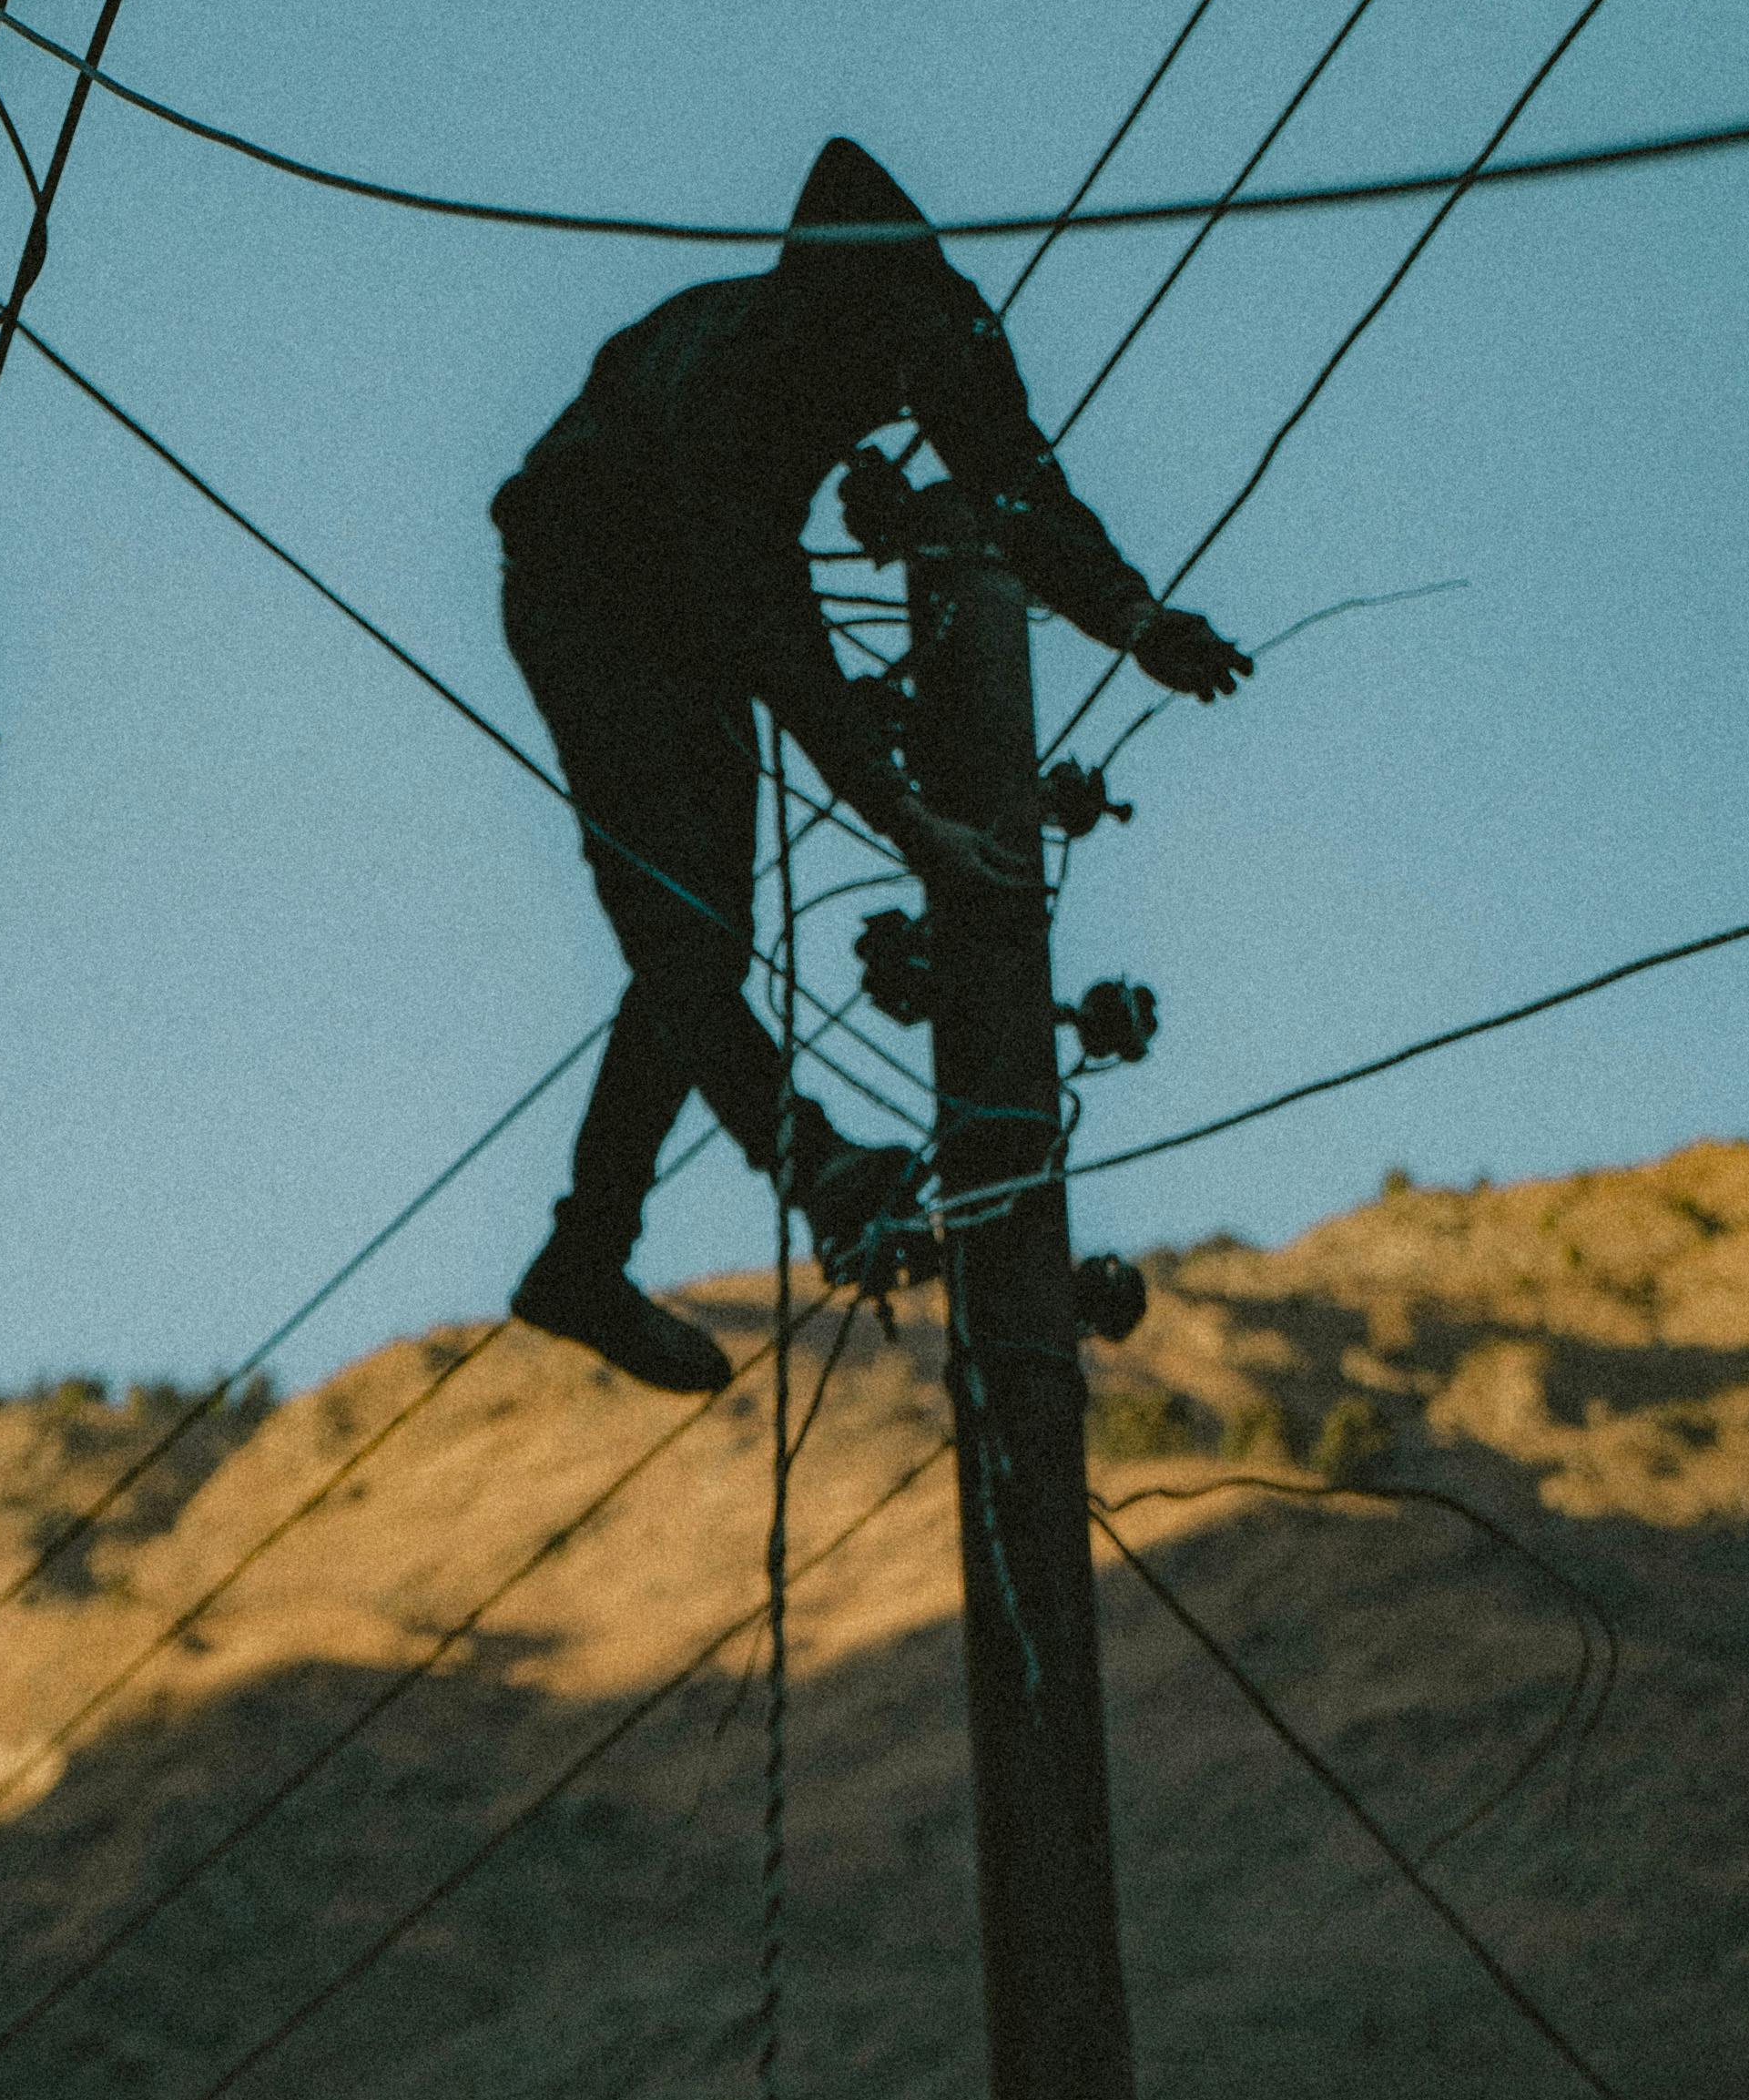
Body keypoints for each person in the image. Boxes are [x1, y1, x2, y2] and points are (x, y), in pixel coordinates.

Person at [492, 138, 1251, 1392]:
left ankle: (617, 1243)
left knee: (698, 939)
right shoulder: (735, 370)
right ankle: (777, 1179)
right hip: (589, 586)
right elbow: (771, 627)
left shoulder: (933, 325)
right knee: (691, 929)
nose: (887, 384)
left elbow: (1021, 488)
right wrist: (905, 818)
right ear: (815, 314)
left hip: (695, 594)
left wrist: (1134, 617)